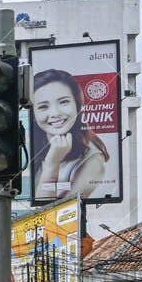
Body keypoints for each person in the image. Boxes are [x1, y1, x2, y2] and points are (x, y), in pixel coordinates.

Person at [30, 68, 111, 202]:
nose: (55, 113)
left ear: (77, 105)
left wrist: (52, 162)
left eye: (63, 102)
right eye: (43, 106)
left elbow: (51, 214)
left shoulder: (93, 161)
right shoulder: (28, 147)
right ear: (33, 113)